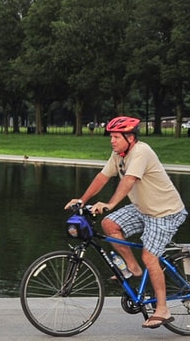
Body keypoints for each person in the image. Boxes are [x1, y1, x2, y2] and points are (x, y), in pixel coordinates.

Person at [65, 115, 186, 330]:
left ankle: (162, 309)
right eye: (111, 136)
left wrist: (110, 204)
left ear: (130, 137)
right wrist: (83, 200)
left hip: (165, 212)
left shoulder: (141, 152)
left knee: (150, 256)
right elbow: (103, 177)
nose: (112, 140)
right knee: (109, 224)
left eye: (116, 137)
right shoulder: (118, 155)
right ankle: (132, 267)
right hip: (143, 209)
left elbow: (129, 181)